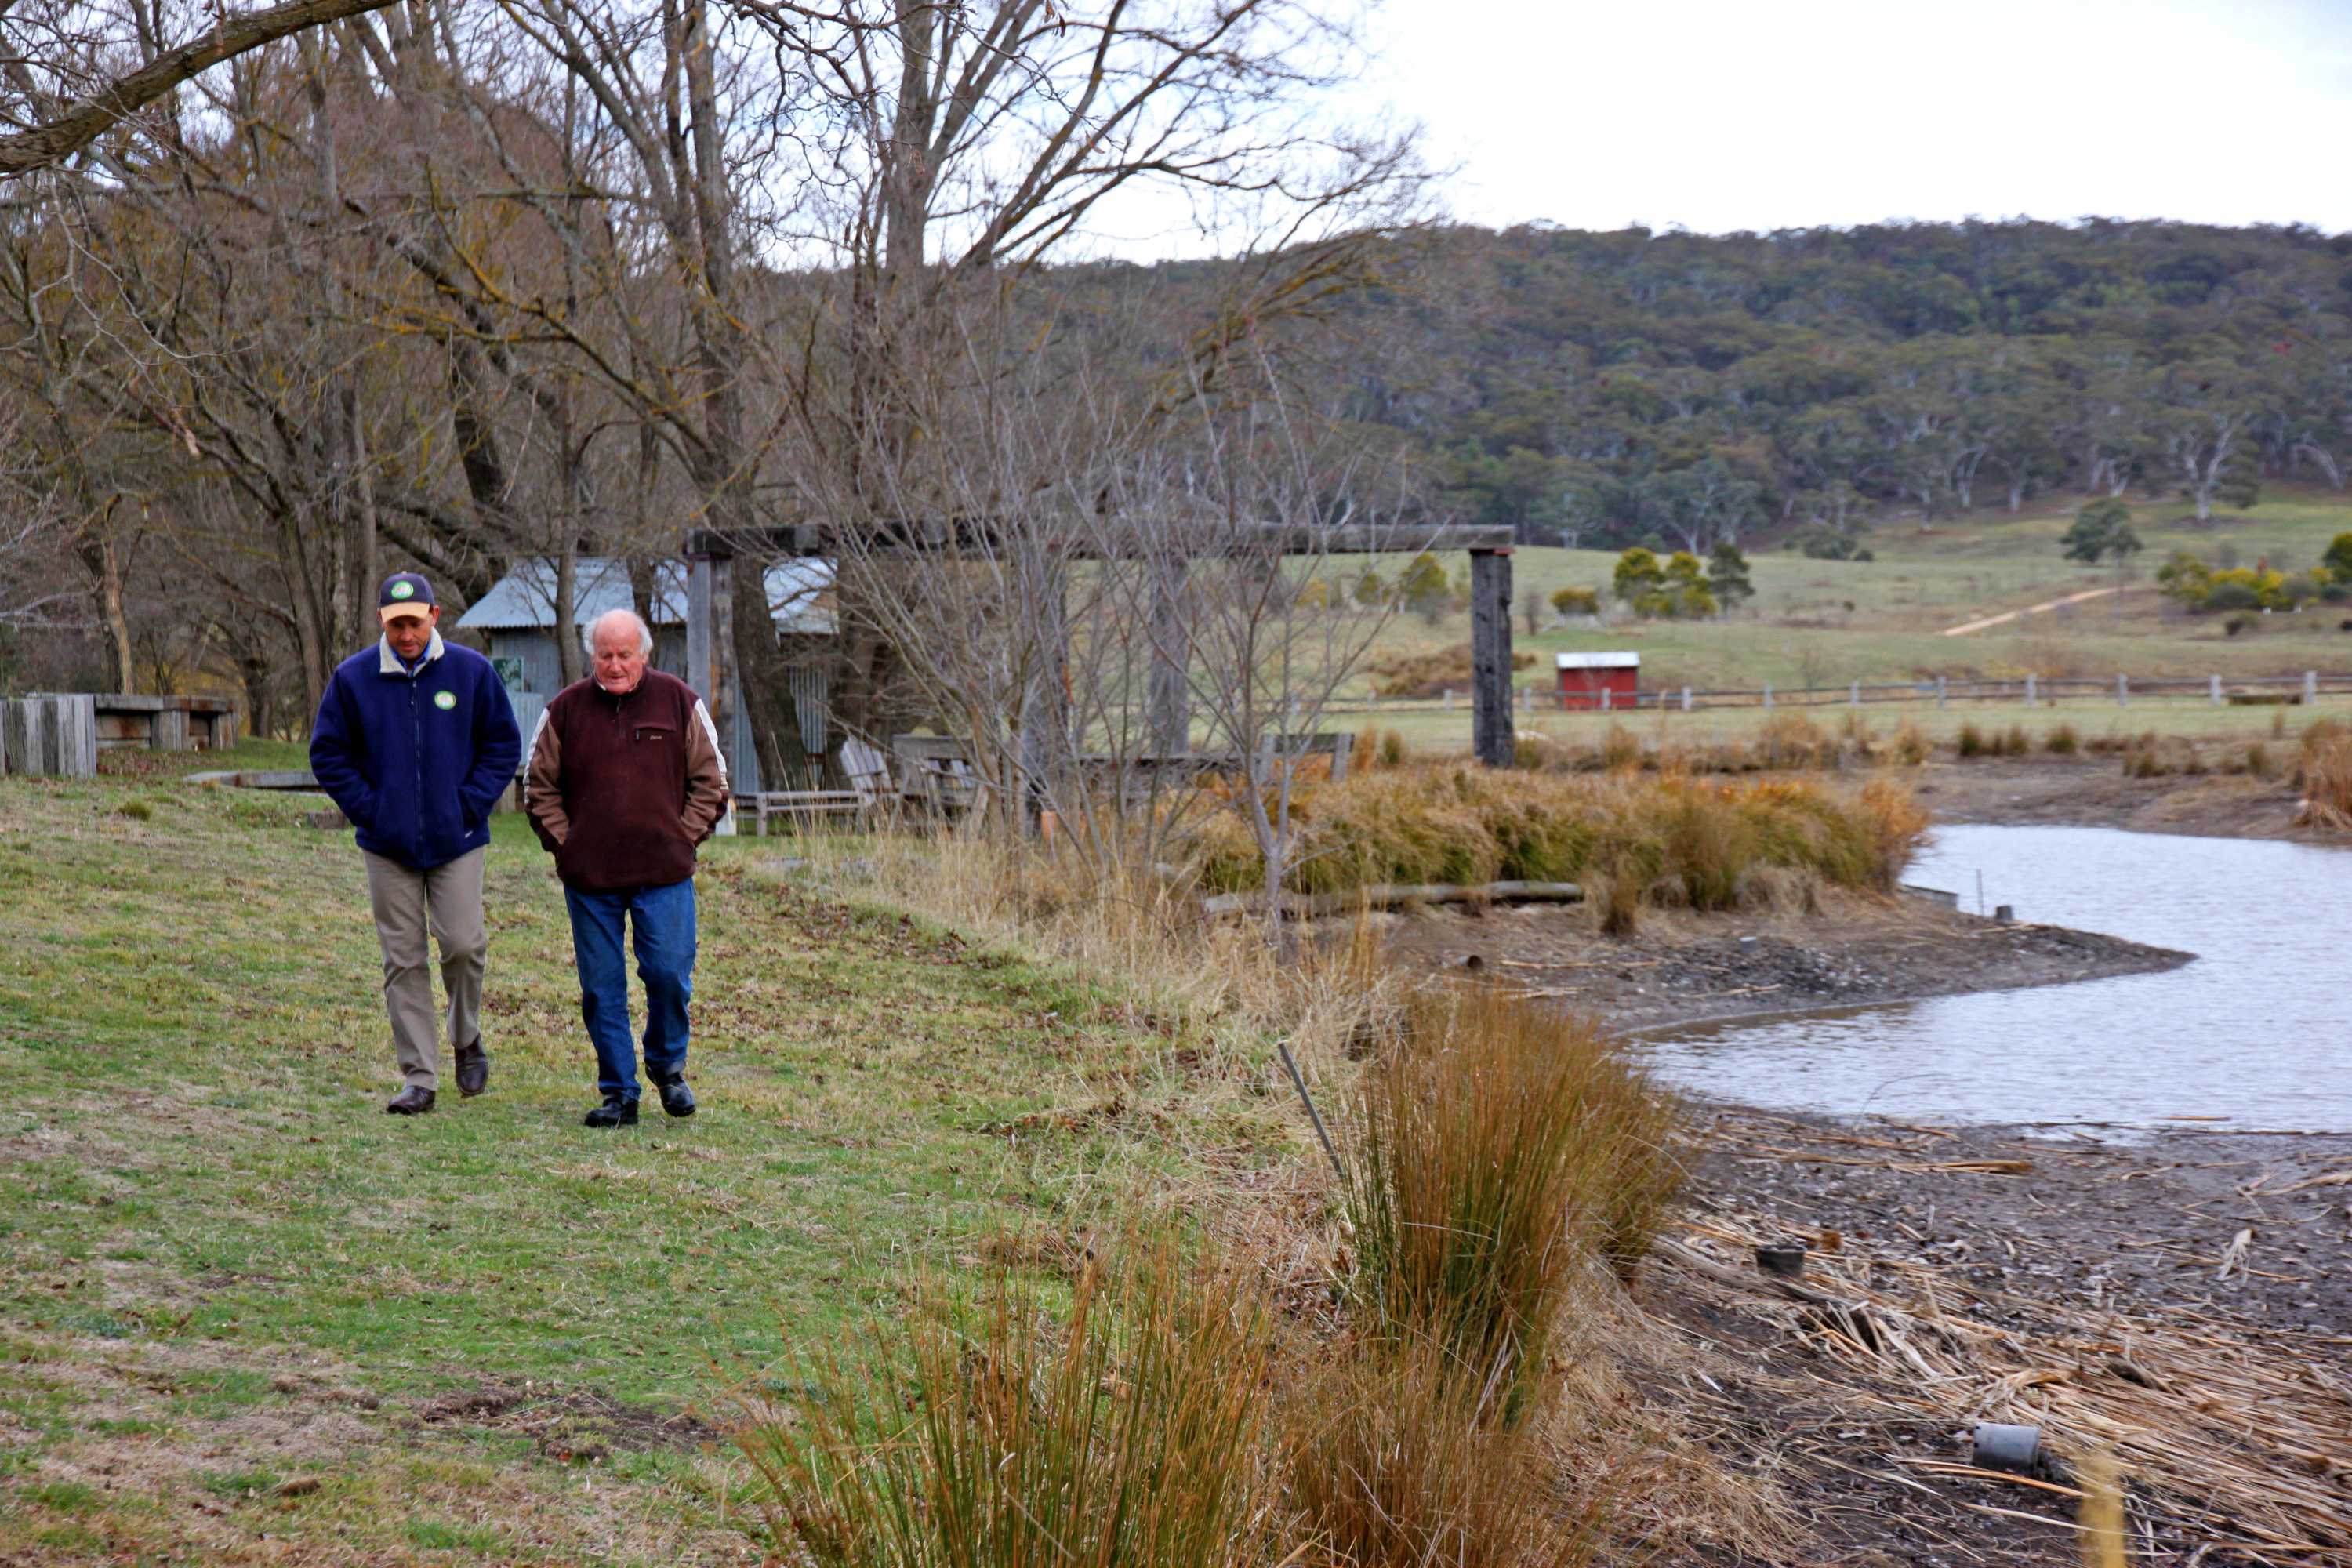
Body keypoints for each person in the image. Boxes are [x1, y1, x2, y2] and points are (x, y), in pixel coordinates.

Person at [310, 572, 522, 1116]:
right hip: (388, 845)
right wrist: (371, 809)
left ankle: (465, 1036)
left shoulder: (471, 673)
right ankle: (420, 1077)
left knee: (463, 945)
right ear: (382, 623)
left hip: (459, 838)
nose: (407, 634)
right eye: (396, 624)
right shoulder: (353, 678)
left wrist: (470, 802)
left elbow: (503, 744)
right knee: (402, 959)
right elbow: (328, 753)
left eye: (415, 622)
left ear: (435, 616)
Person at [524, 608, 731, 1127]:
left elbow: (713, 781)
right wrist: (567, 848)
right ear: (592, 655)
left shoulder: (679, 702)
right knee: (601, 988)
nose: (615, 666)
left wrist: (682, 839)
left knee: (667, 976)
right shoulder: (566, 710)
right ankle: (620, 1093)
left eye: (625, 655)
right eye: (605, 655)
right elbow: (538, 787)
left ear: (644, 653)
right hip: (590, 881)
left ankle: (668, 1067)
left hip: (664, 875)